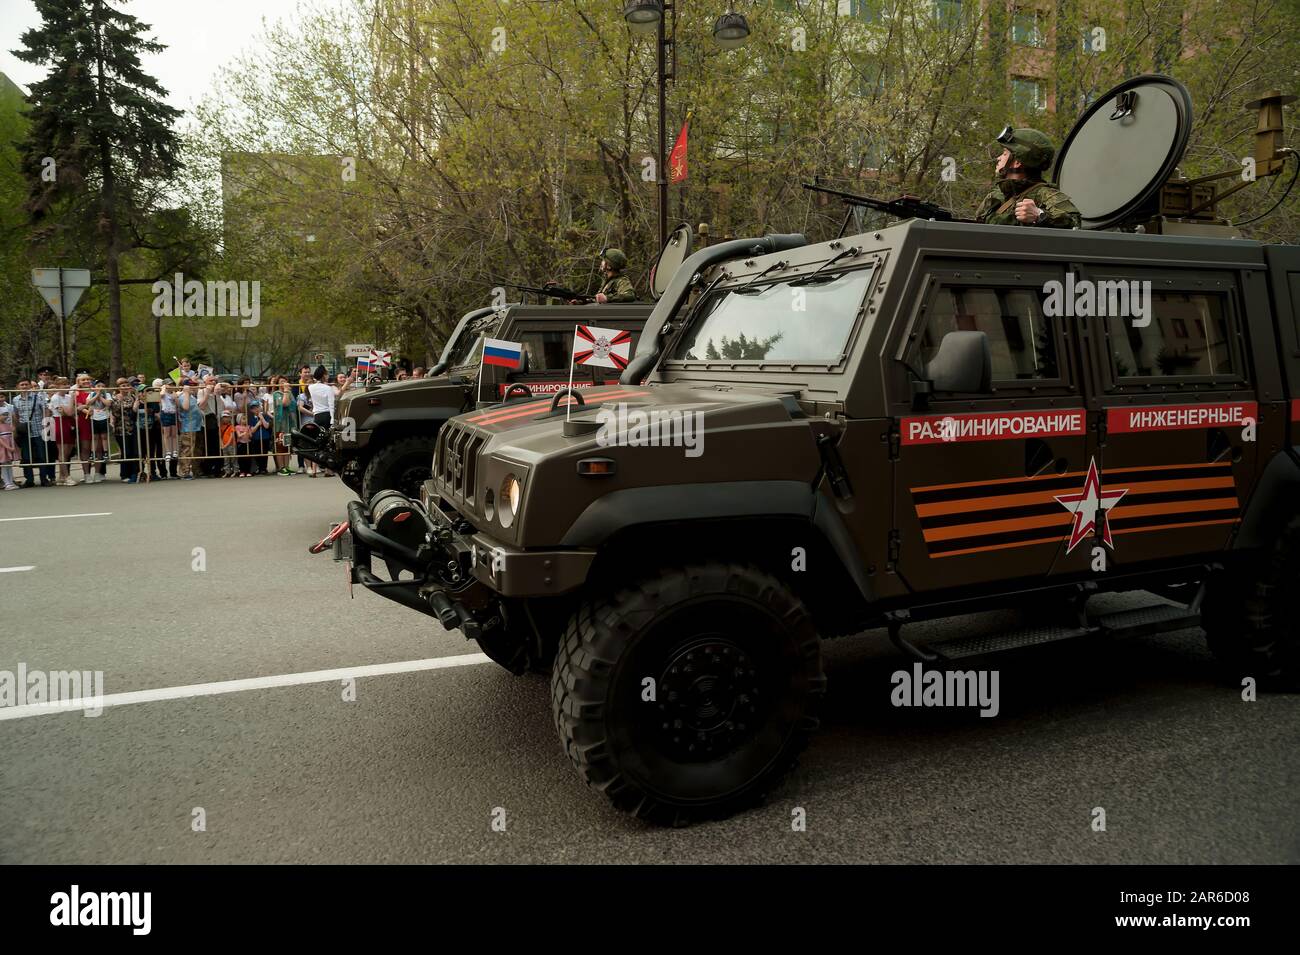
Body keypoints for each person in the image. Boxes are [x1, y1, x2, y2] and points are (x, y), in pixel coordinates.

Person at [975, 126, 1081, 228]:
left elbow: (1075, 223)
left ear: (1017, 162)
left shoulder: (1046, 195)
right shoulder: (997, 194)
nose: (999, 158)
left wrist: (1039, 215)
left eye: (1004, 154)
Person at [12, 379, 53, 487]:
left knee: (41, 455)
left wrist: (45, 424)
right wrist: (16, 428)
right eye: (22, 385)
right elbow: (15, 415)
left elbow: (46, 410)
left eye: (26, 384)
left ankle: (44, 479)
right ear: (18, 387)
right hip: (24, 432)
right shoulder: (15, 399)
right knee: (26, 457)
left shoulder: (38, 397)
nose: (24, 386)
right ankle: (29, 480)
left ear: (30, 386)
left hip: (38, 430)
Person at [177, 383, 204, 480]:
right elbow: (185, 407)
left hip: (196, 426)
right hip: (188, 427)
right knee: (186, 450)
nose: (193, 387)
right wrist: (186, 393)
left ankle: (195, 470)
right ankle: (184, 472)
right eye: (191, 385)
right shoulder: (182, 396)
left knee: (195, 450)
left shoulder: (192, 396)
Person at [271, 378, 297, 475]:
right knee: (280, 446)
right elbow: (284, 403)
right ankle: (281, 468)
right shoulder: (276, 394)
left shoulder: (289, 393)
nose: (284, 383)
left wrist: (287, 392)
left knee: (287, 445)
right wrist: (286, 391)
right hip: (280, 424)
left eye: (285, 381)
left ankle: (287, 467)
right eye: (282, 382)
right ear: (278, 384)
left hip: (289, 423)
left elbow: (293, 405)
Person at [247, 399, 272, 474]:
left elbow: (267, 426)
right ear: (251, 410)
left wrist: (262, 418)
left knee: (264, 453)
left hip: (265, 437)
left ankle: (264, 468)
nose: (256, 409)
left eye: (257, 407)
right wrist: (258, 424)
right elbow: (252, 430)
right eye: (253, 408)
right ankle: (259, 467)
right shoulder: (251, 418)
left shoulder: (265, 416)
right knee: (257, 453)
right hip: (256, 438)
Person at [0, 394, 19, 490]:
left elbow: (12, 434)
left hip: (9, 445)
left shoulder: (8, 425)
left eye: (6, 415)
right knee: (4, 465)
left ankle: (11, 481)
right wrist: (8, 447)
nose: (5, 417)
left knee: (9, 465)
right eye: (3, 415)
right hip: (3, 447)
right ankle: (7, 483)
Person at [219, 411, 238, 477]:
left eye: (227, 417)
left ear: (230, 418)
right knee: (226, 459)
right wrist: (222, 444)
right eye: (224, 417)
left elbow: (231, 436)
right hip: (224, 446)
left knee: (233, 459)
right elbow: (220, 436)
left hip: (231, 445)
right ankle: (227, 471)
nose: (225, 419)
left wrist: (226, 444)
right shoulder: (221, 427)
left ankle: (236, 471)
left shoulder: (231, 426)